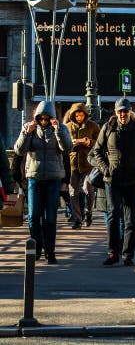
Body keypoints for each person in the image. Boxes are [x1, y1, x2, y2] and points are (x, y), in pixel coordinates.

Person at [89, 98, 135, 266]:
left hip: (133, 180)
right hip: (113, 180)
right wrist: (105, 169)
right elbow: (97, 150)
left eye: (125, 111)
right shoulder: (108, 127)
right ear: (116, 112)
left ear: (130, 111)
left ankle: (127, 254)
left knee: (130, 219)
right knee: (113, 215)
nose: (123, 114)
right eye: (120, 112)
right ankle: (112, 253)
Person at [14, 101, 72, 264]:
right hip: (34, 178)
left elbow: (67, 149)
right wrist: (27, 133)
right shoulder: (29, 128)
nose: (44, 121)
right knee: (33, 216)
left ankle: (50, 251)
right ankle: (36, 248)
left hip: (53, 179)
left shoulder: (61, 128)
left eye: (48, 118)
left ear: (52, 117)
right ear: (37, 117)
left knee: (50, 217)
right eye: (41, 118)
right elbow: (19, 150)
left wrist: (59, 131)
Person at [64, 102, 100, 228]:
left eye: (81, 115)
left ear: (85, 115)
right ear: (73, 115)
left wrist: (89, 142)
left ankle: (88, 212)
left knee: (87, 189)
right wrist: (70, 144)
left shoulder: (93, 126)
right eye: (77, 115)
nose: (79, 117)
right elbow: (62, 143)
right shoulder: (67, 127)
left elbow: (100, 143)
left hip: (88, 163)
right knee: (73, 192)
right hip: (73, 163)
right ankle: (77, 219)